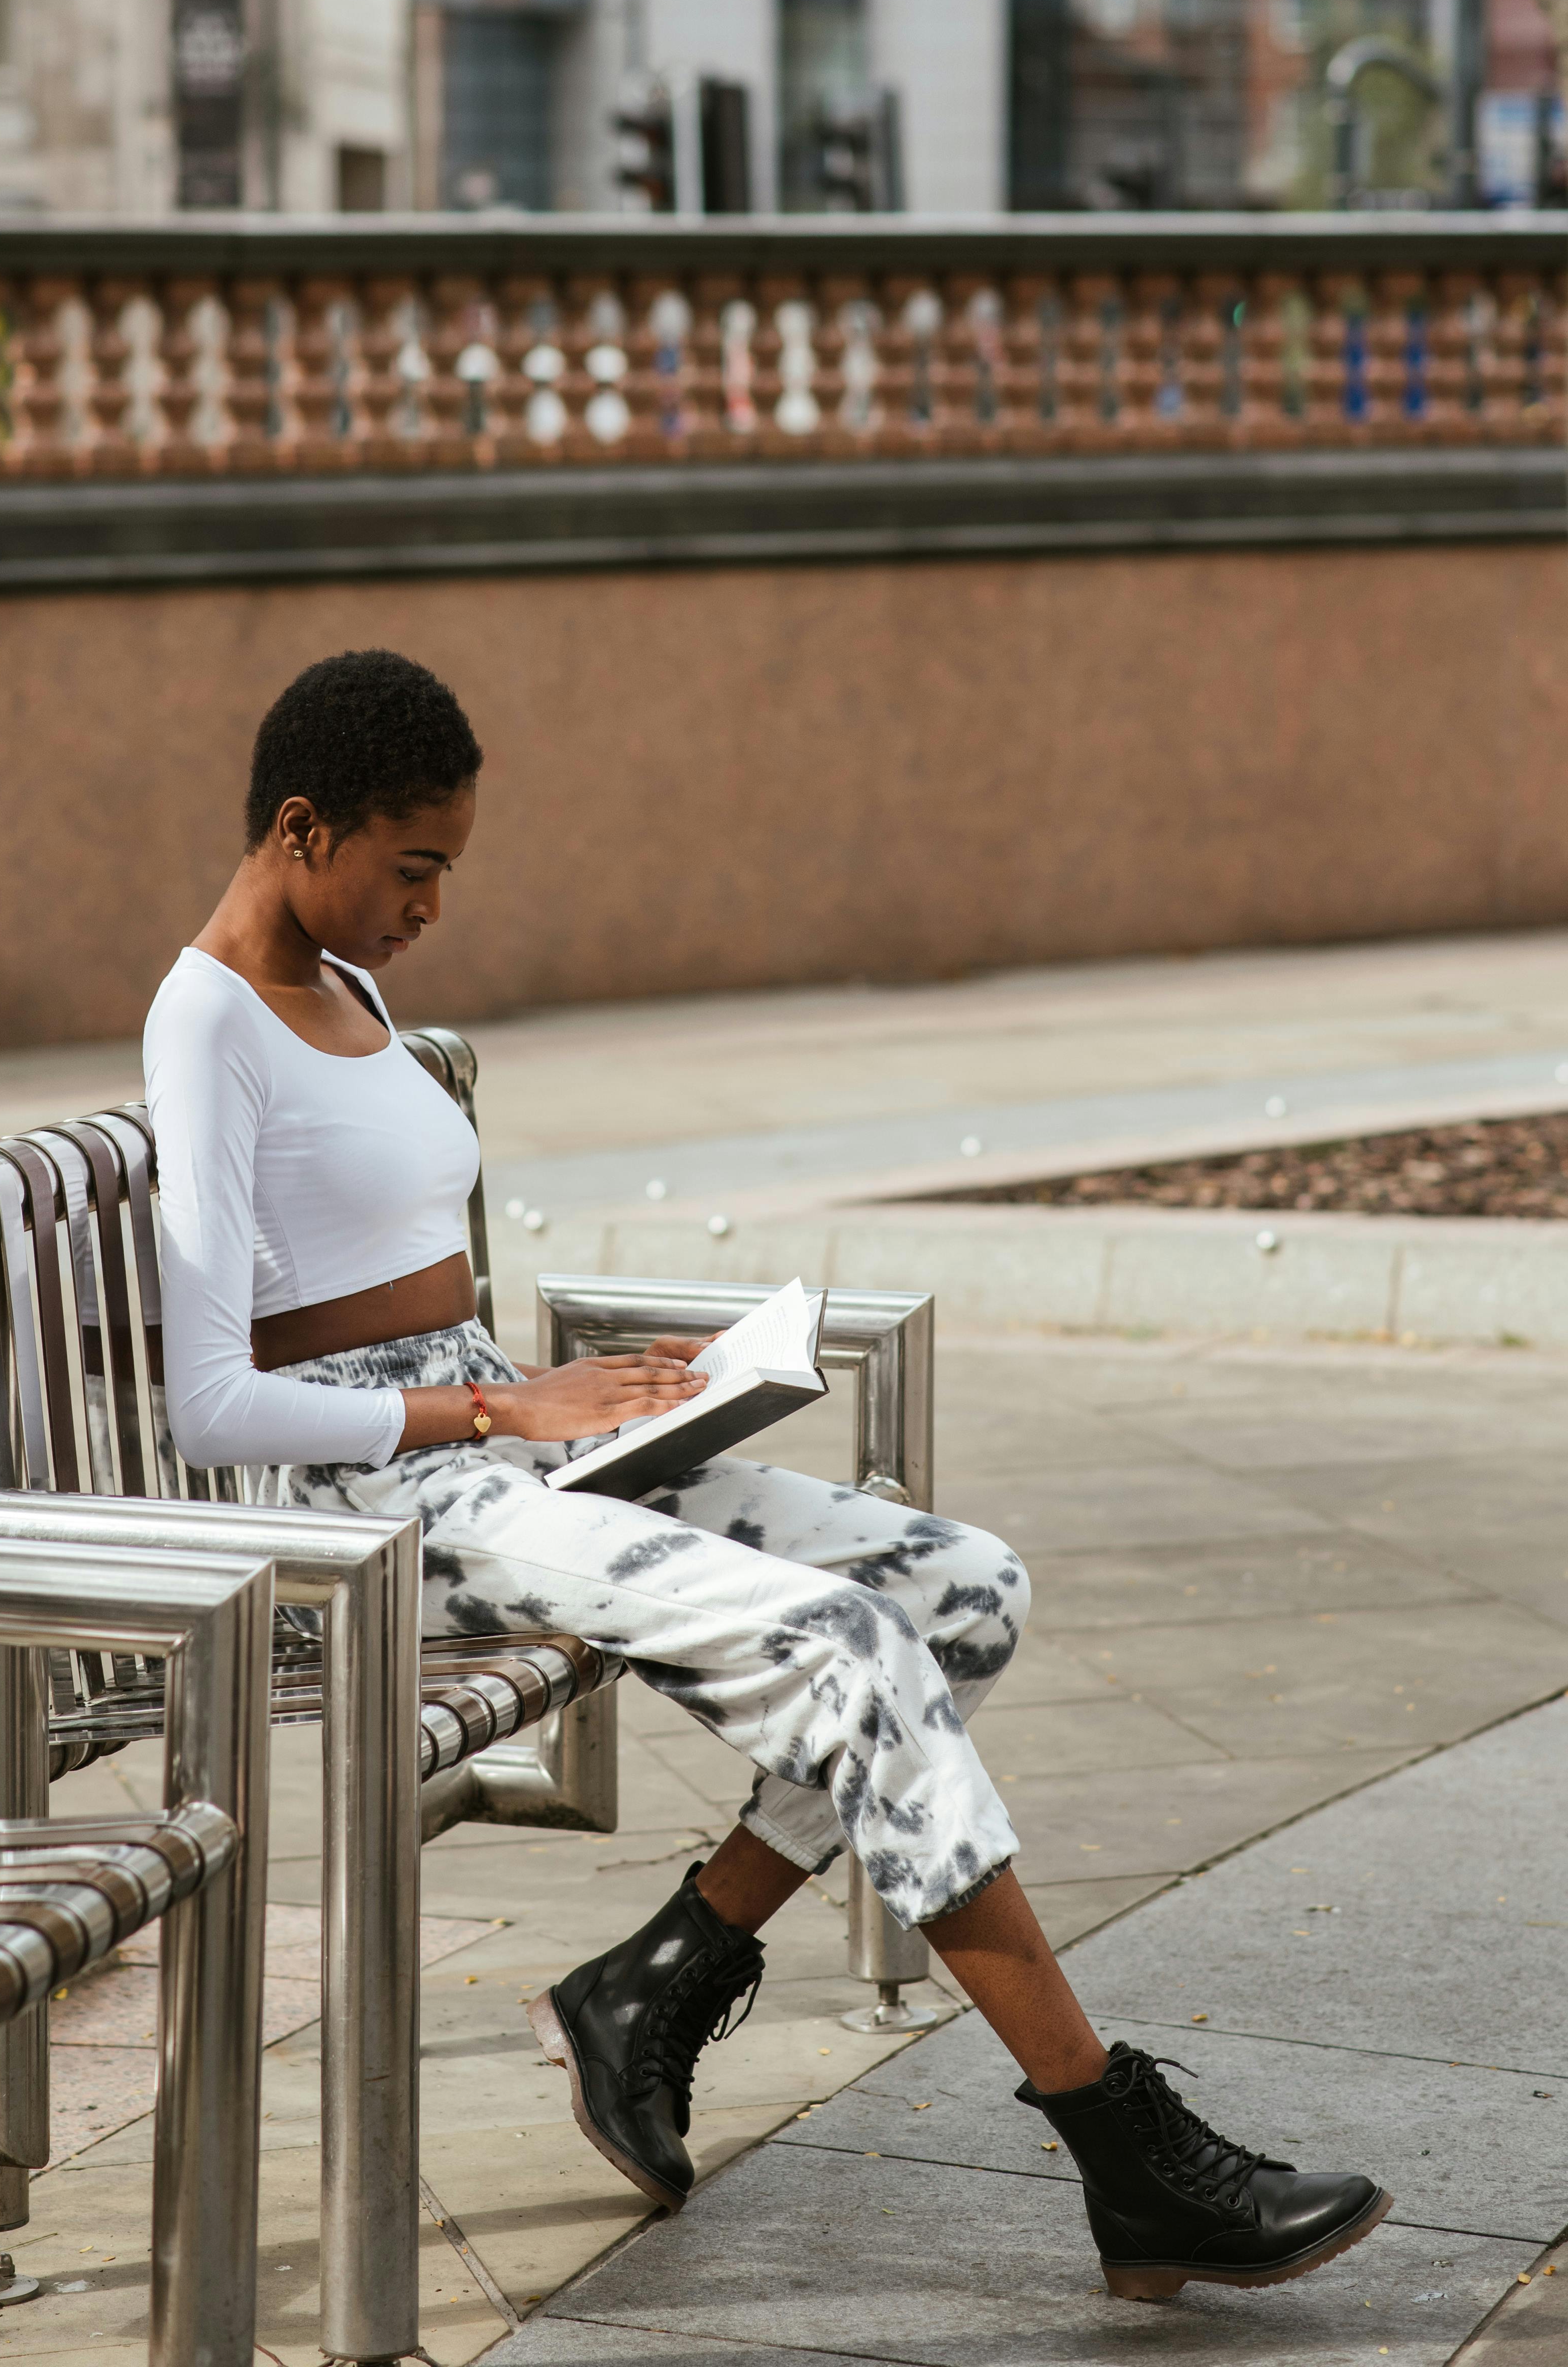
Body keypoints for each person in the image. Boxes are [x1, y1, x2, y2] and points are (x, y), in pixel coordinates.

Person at [144, 647, 1392, 2302]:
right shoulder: (204, 1020)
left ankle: (661, 1979)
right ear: (302, 828)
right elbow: (213, 1405)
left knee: (960, 1593)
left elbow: (410, 1278)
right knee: (850, 1656)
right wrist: (495, 1422)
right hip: (373, 1512)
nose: (434, 906)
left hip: (497, 1440)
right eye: (415, 866)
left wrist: (596, 1402)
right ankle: (1118, 2145)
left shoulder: (354, 994)